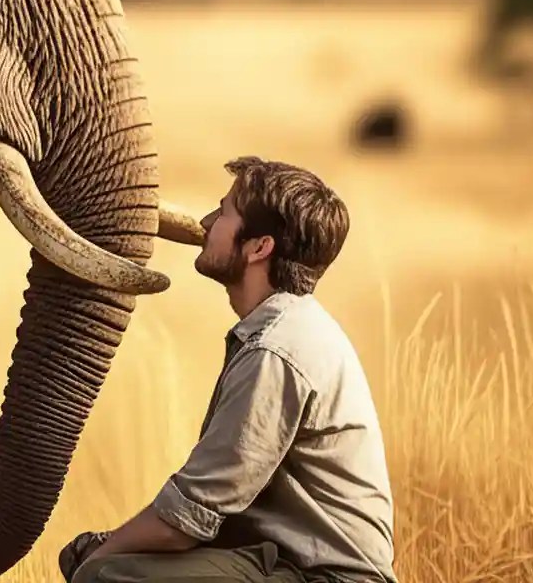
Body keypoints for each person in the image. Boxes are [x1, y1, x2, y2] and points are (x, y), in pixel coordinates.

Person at [59, 156, 398, 583]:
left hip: (323, 576)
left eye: (222, 212)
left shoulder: (276, 351)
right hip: (279, 561)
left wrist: (98, 558)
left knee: (106, 574)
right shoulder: (287, 328)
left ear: (259, 248)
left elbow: (191, 515)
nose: (204, 222)